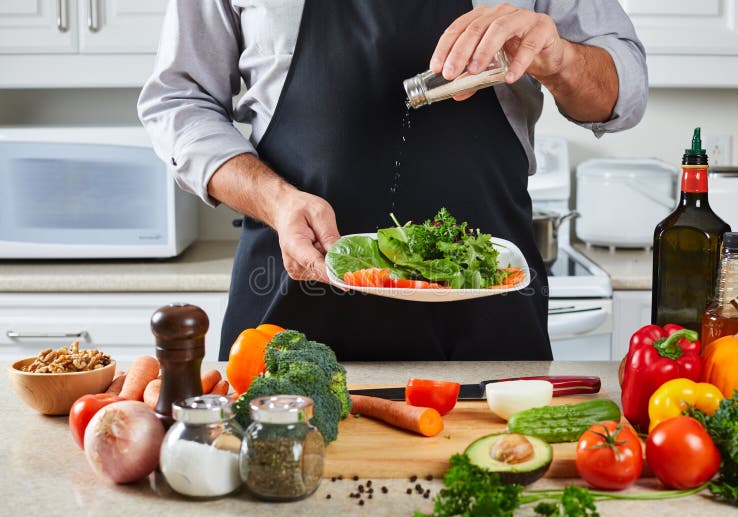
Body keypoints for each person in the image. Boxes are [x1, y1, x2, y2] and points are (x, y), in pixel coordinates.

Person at [138, 1, 647, 362]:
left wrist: (559, 57)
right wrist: (274, 200)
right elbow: (178, 100)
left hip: (488, 318)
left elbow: (623, 92)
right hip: (289, 307)